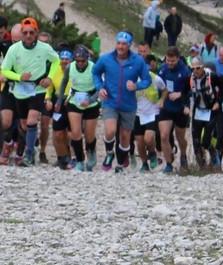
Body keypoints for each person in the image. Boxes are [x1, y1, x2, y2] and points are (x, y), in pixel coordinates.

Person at [0, 16, 56, 164]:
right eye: (25, 33)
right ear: (22, 33)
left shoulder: (45, 48)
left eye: (31, 32)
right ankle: (29, 146)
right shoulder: (14, 49)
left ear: (36, 32)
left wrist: (50, 78)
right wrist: (19, 76)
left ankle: (28, 155)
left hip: (38, 88)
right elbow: (4, 70)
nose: (28, 36)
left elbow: (56, 61)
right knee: (23, 124)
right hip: (20, 89)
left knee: (32, 119)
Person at [95, 30, 151, 172]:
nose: (120, 46)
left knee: (125, 137)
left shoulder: (138, 61)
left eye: (124, 44)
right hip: (110, 101)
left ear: (129, 46)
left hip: (128, 104)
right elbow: (95, 72)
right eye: (119, 43)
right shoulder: (106, 58)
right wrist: (100, 87)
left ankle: (119, 165)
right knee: (110, 131)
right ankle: (109, 153)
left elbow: (147, 79)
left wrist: (136, 86)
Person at [62, 41, 99, 169]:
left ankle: (92, 151)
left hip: (91, 102)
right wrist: (59, 99)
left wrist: (90, 100)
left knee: (89, 135)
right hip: (75, 101)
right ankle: (79, 160)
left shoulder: (94, 68)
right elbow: (64, 82)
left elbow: (100, 88)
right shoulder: (69, 67)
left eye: (83, 61)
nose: (80, 64)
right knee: (76, 132)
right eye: (78, 61)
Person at [154, 45, 190, 173]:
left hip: (180, 108)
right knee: (164, 135)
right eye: (168, 60)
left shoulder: (185, 71)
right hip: (166, 106)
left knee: (180, 137)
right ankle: (168, 162)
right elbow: (158, 85)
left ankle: (184, 155)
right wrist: (159, 100)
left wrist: (181, 94)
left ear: (178, 58)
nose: (170, 63)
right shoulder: (163, 69)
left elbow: (190, 89)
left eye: (172, 61)